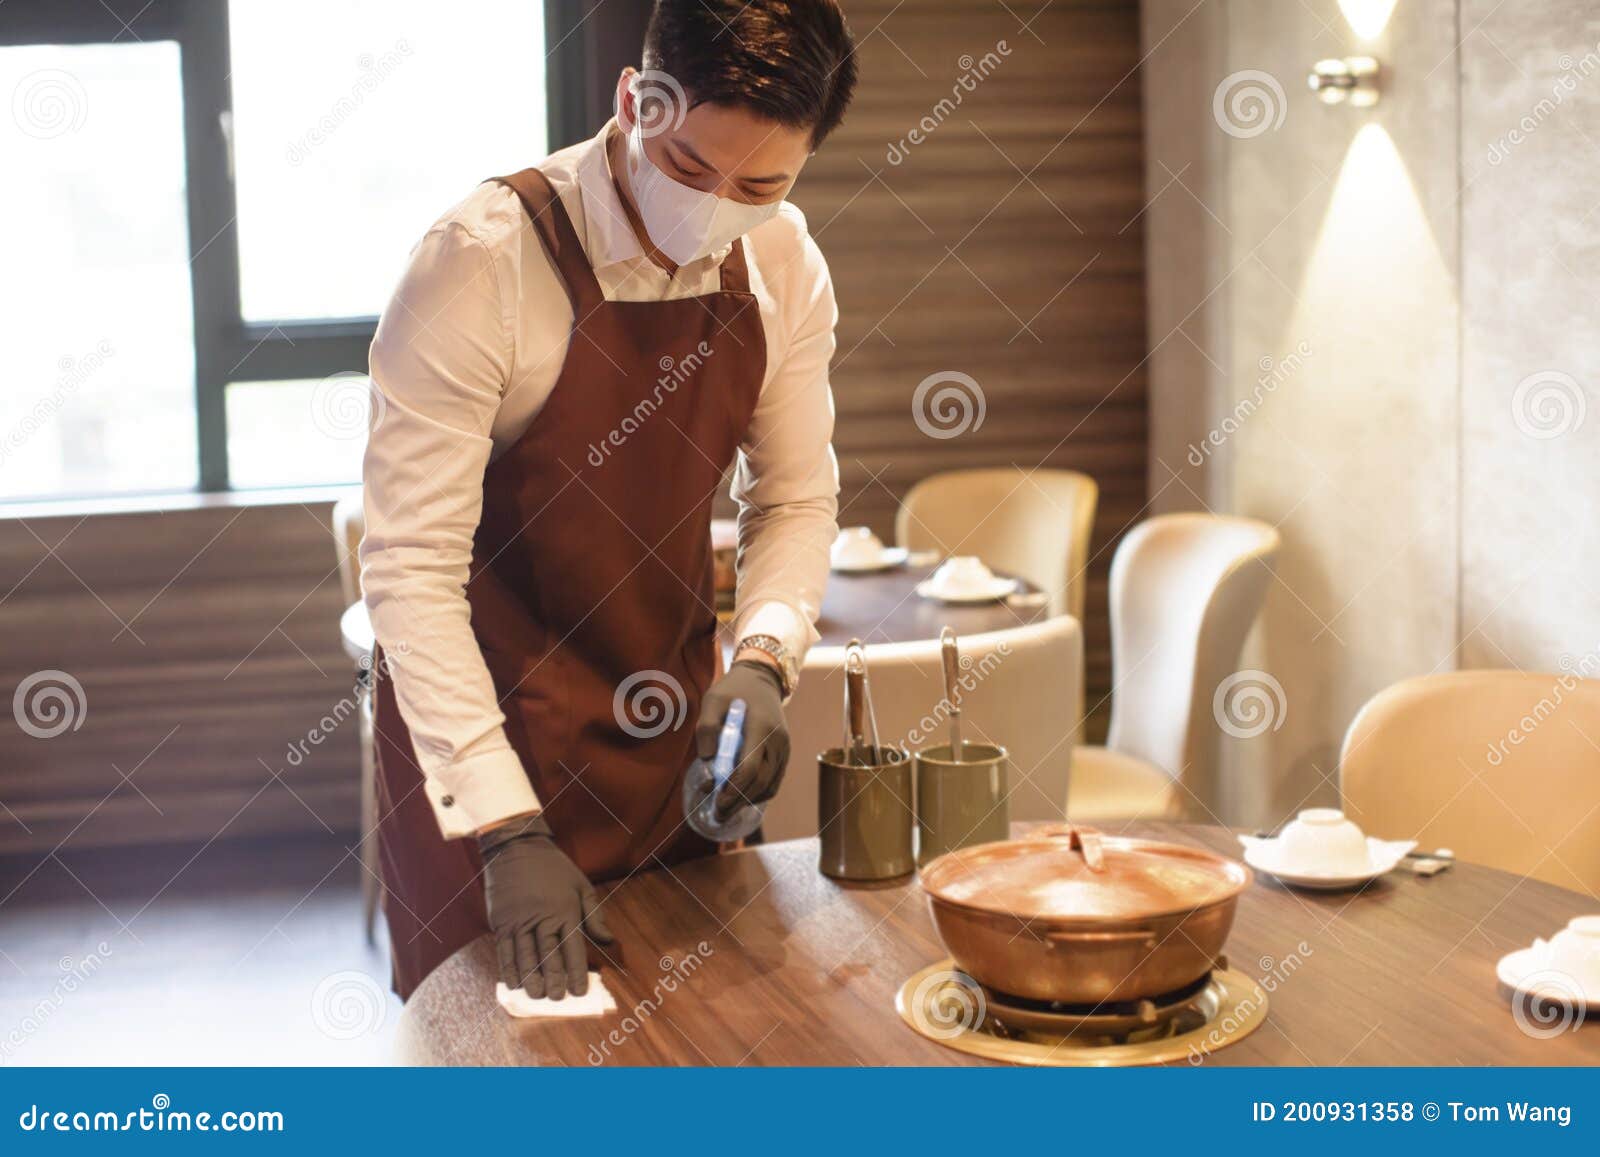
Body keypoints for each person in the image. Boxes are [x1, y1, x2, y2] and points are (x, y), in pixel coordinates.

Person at [361, 0, 858, 1000]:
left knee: (704, 1049)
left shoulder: (784, 261)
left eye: (761, 183)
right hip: (489, 750)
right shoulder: (481, 261)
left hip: (669, 747)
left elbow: (795, 499)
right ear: (634, 101)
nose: (719, 208)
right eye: (686, 168)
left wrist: (764, 660)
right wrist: (506, 825)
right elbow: (408, 569)